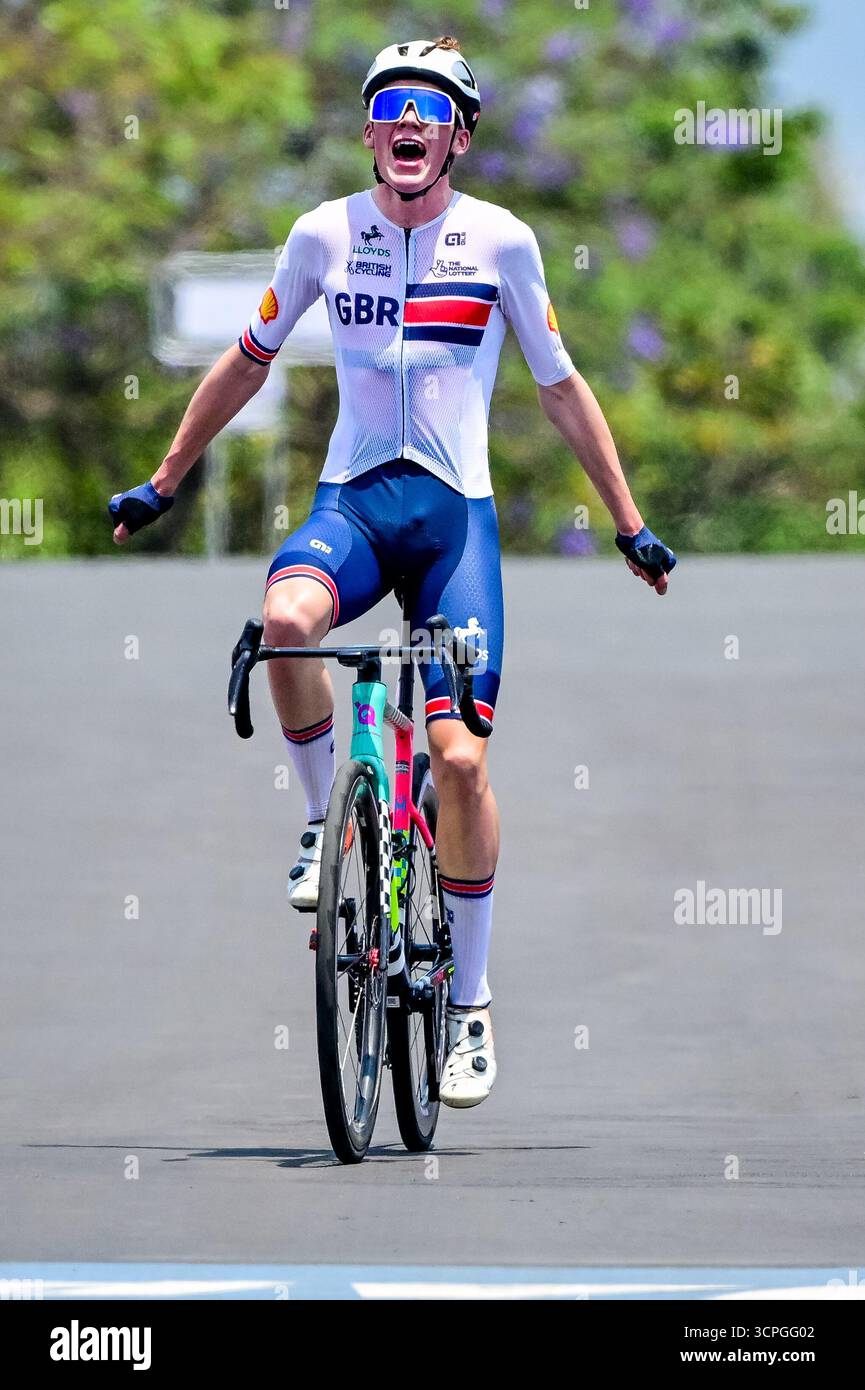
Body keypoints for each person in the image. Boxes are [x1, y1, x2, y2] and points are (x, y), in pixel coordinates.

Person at [109, 36, 676, 1110]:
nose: (406, 126)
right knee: (284, 619)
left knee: (459, 763)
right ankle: (327, 821)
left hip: (453, 522)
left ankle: (468, 1001)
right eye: (387, 110)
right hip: (357, 503)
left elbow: (560, 388)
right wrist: (166, 475)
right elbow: (249, 357)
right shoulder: (323, 235)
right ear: (370, 134)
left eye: (430, 111)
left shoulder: (501, 242)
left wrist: (628, 521)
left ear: (457, 136)